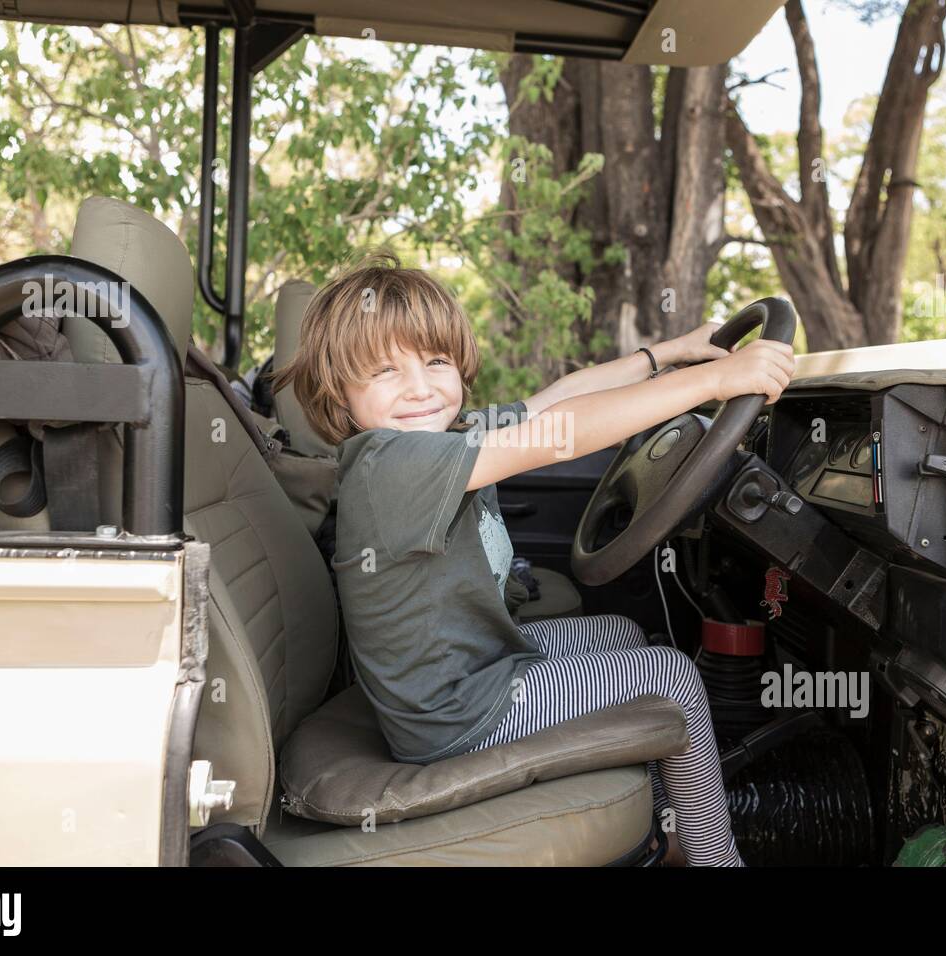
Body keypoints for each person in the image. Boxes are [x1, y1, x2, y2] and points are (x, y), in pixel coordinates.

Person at [272, 251, 795, 866]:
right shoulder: (392, 465)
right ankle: (710, 856)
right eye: (386, 371)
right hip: (457, 717)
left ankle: (663, 816)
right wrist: (710, 384)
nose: (420, 387)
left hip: (474, 669)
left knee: (619, 630)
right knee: (669, 675)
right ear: (340, 391)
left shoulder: (444, 435)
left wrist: (667, 353)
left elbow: (556, 400)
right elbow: (561, 433)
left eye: (436, 361)